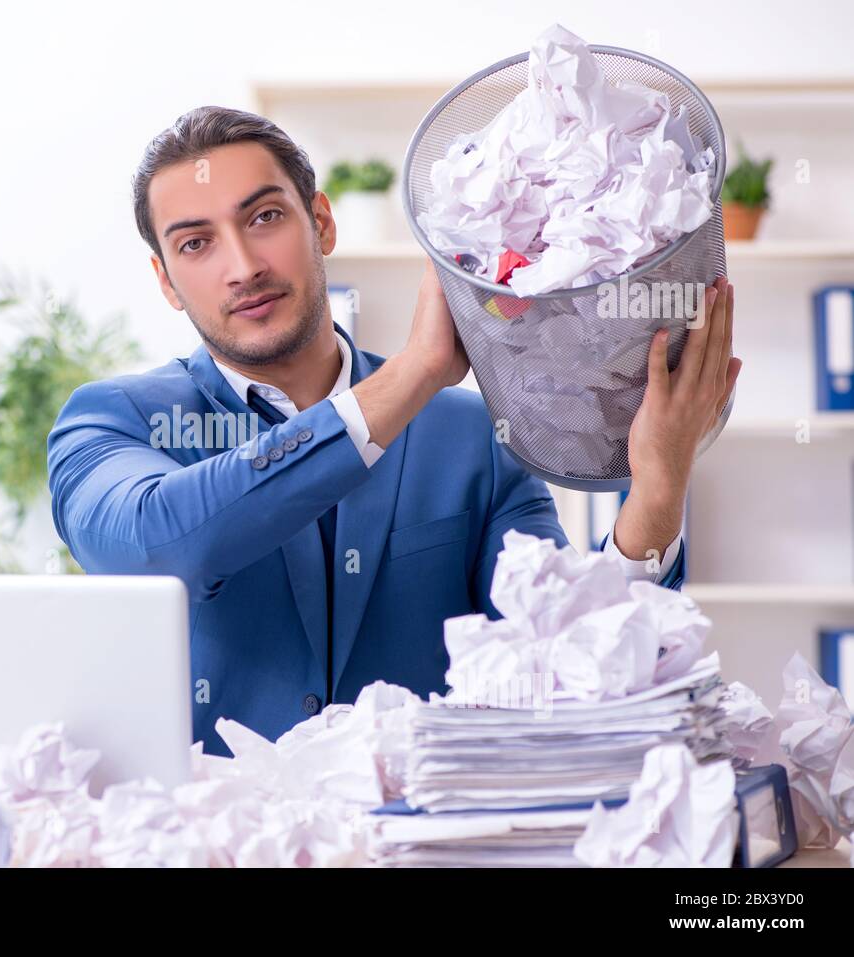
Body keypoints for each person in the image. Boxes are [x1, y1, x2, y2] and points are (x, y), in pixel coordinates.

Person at [47, 106, 740, 755]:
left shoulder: (479, 439)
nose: (242, 265)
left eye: (264, 217)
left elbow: (566, 663)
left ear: (321, 222)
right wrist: (414, 375)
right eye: (195, 243)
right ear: (166, 281)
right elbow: (157, 545)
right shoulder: (112, 422)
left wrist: (657, 492)